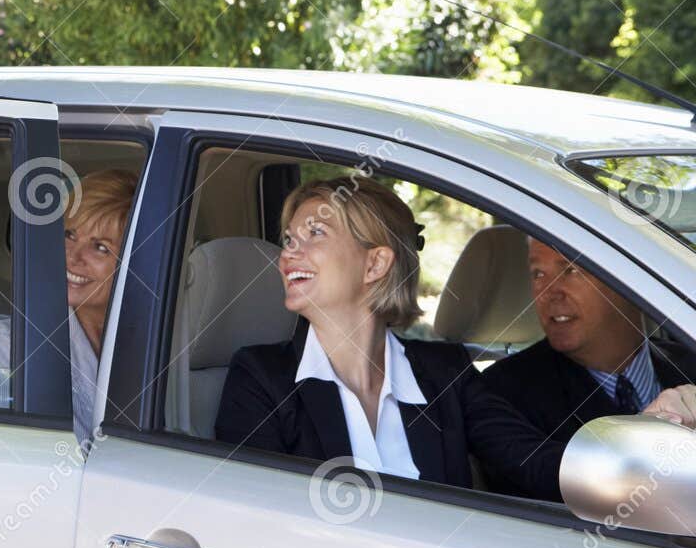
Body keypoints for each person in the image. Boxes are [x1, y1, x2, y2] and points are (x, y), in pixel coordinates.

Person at [214, 178, 565, 499]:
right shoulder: (261, 378)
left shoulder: (447, 374)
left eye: (316, 233)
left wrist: (612, 485)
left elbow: (536, 465)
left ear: (375, 264)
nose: (288, 254)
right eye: (289, 240)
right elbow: (254, 511)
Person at [479, 238, 696, 483]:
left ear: (630, 280)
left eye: (571, 269)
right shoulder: (503, 392)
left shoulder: (689, 361)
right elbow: (545, 481)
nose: (549, 292)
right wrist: (649, 437)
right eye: (538, 273)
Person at [0, 168, 138, 449]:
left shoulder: (159, 340)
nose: (72, 256)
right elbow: (26, 455)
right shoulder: (17, 341)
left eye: (101, 248)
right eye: (69, 235)